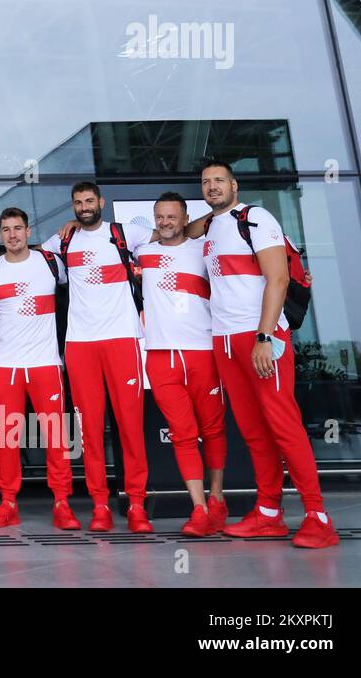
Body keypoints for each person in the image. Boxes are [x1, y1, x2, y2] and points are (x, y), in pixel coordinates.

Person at [199, 160, 337, 547]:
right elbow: (185, 226)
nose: (212, 187)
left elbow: (277, 277)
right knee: (254, 431)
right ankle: (269, 513)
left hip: (259, 336)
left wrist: (264, 335)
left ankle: (317, 515)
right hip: (224, 339)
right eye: (206, 182)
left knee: (284, 424)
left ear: (234, 185)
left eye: (219, 181)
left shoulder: (256, 217)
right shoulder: (210, 227)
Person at [41, 182, 153, 533]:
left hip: (122, 339)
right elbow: (20, 256)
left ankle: (136, 504)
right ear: (73, 207)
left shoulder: (125, 233)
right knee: (90, 430)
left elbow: (172, 236)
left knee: (131, 428)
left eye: (90, 201)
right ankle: (100, 505)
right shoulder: (62, 241)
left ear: (101, 202)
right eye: (78, 203)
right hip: (80, 344)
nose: (84, 207)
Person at [0, 208, 80, 530]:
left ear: (27, 231)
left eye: (18, 228)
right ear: (1, 234)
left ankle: (62, 502)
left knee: (55, 437)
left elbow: (76, 247)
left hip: (45, 365)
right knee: (7, 440)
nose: (12, 235)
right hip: (6, 366)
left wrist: (77, 222)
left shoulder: (51, 263)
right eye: (6, 229)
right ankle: (8, 502)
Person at [136, 192, 227, 537]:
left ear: (185, 217)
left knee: (213, 429)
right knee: (183, 435)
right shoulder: (142, 252)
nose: (165, 222)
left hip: (202, 351)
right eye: (160, 216)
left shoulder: (203, 251)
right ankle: (199, 508)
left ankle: (217, 498)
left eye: (172, 216)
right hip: (160, 356)